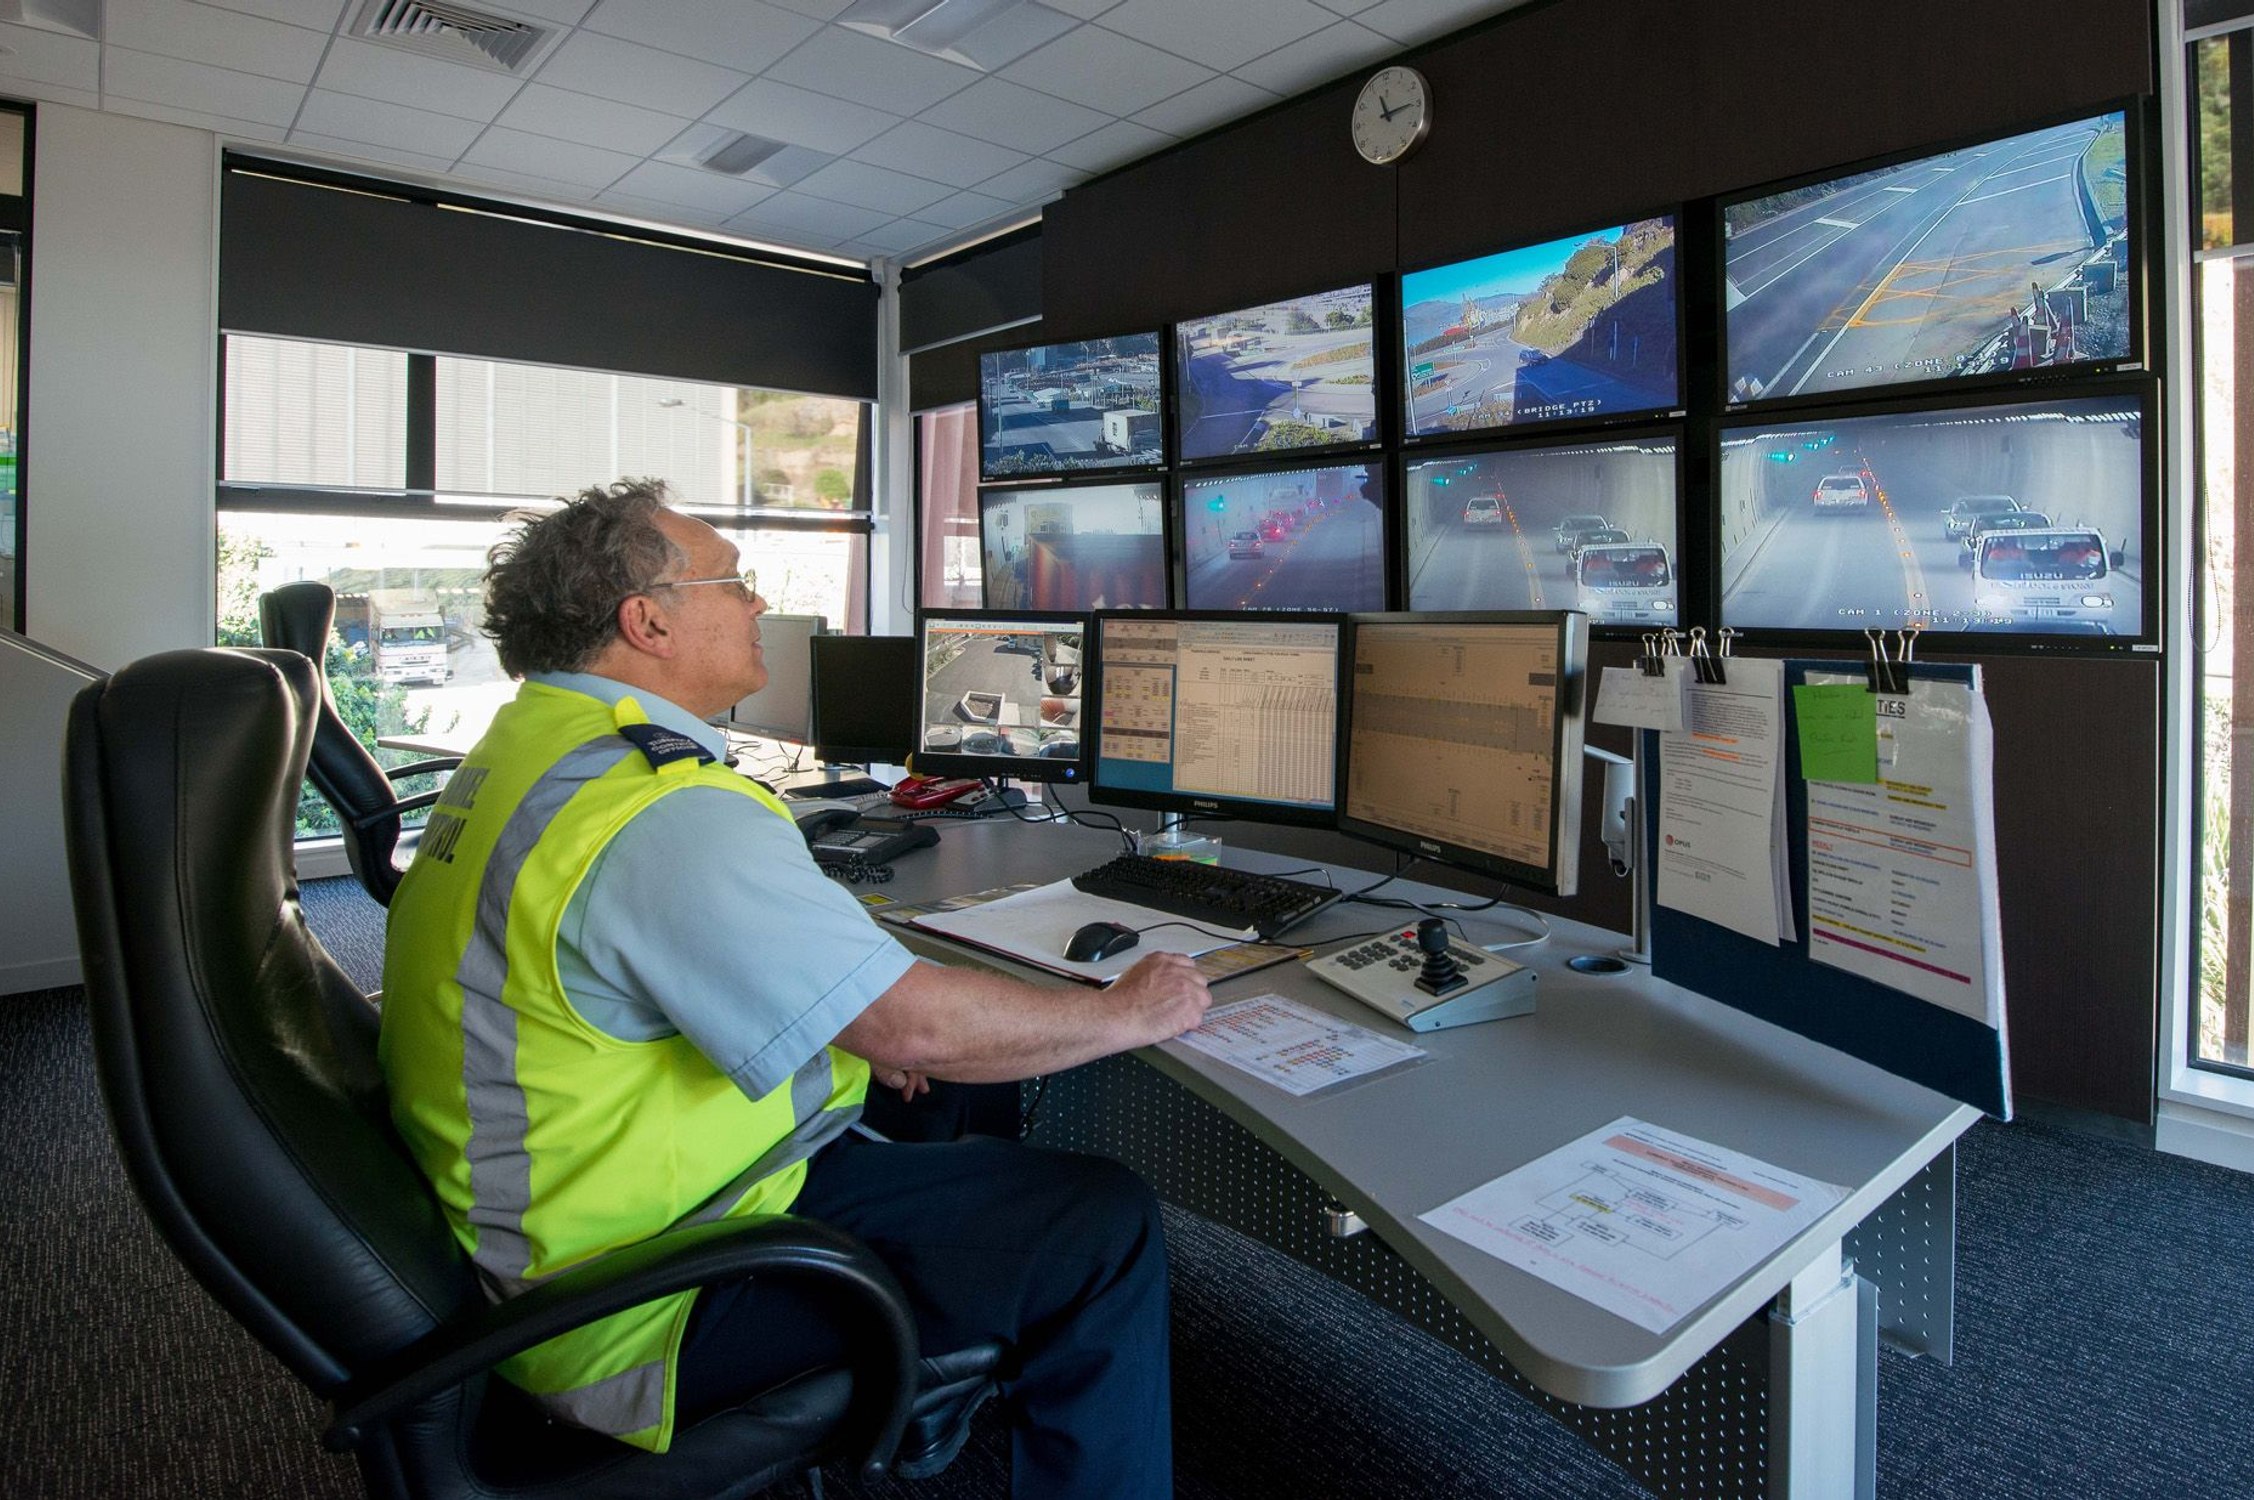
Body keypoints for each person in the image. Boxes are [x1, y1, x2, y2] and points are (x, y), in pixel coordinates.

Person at [379, 478, 1212, 1499]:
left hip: (558, 1230)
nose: (759, 603)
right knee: (1099, 1220)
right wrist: (1125, 1010)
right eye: (732, 582)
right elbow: (914, 1029)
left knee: (939, 1102)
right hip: (637, 1302)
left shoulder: (534, 753)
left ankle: (947, 1378)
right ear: (647, 622)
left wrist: (850, 1028)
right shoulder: (657, 808)